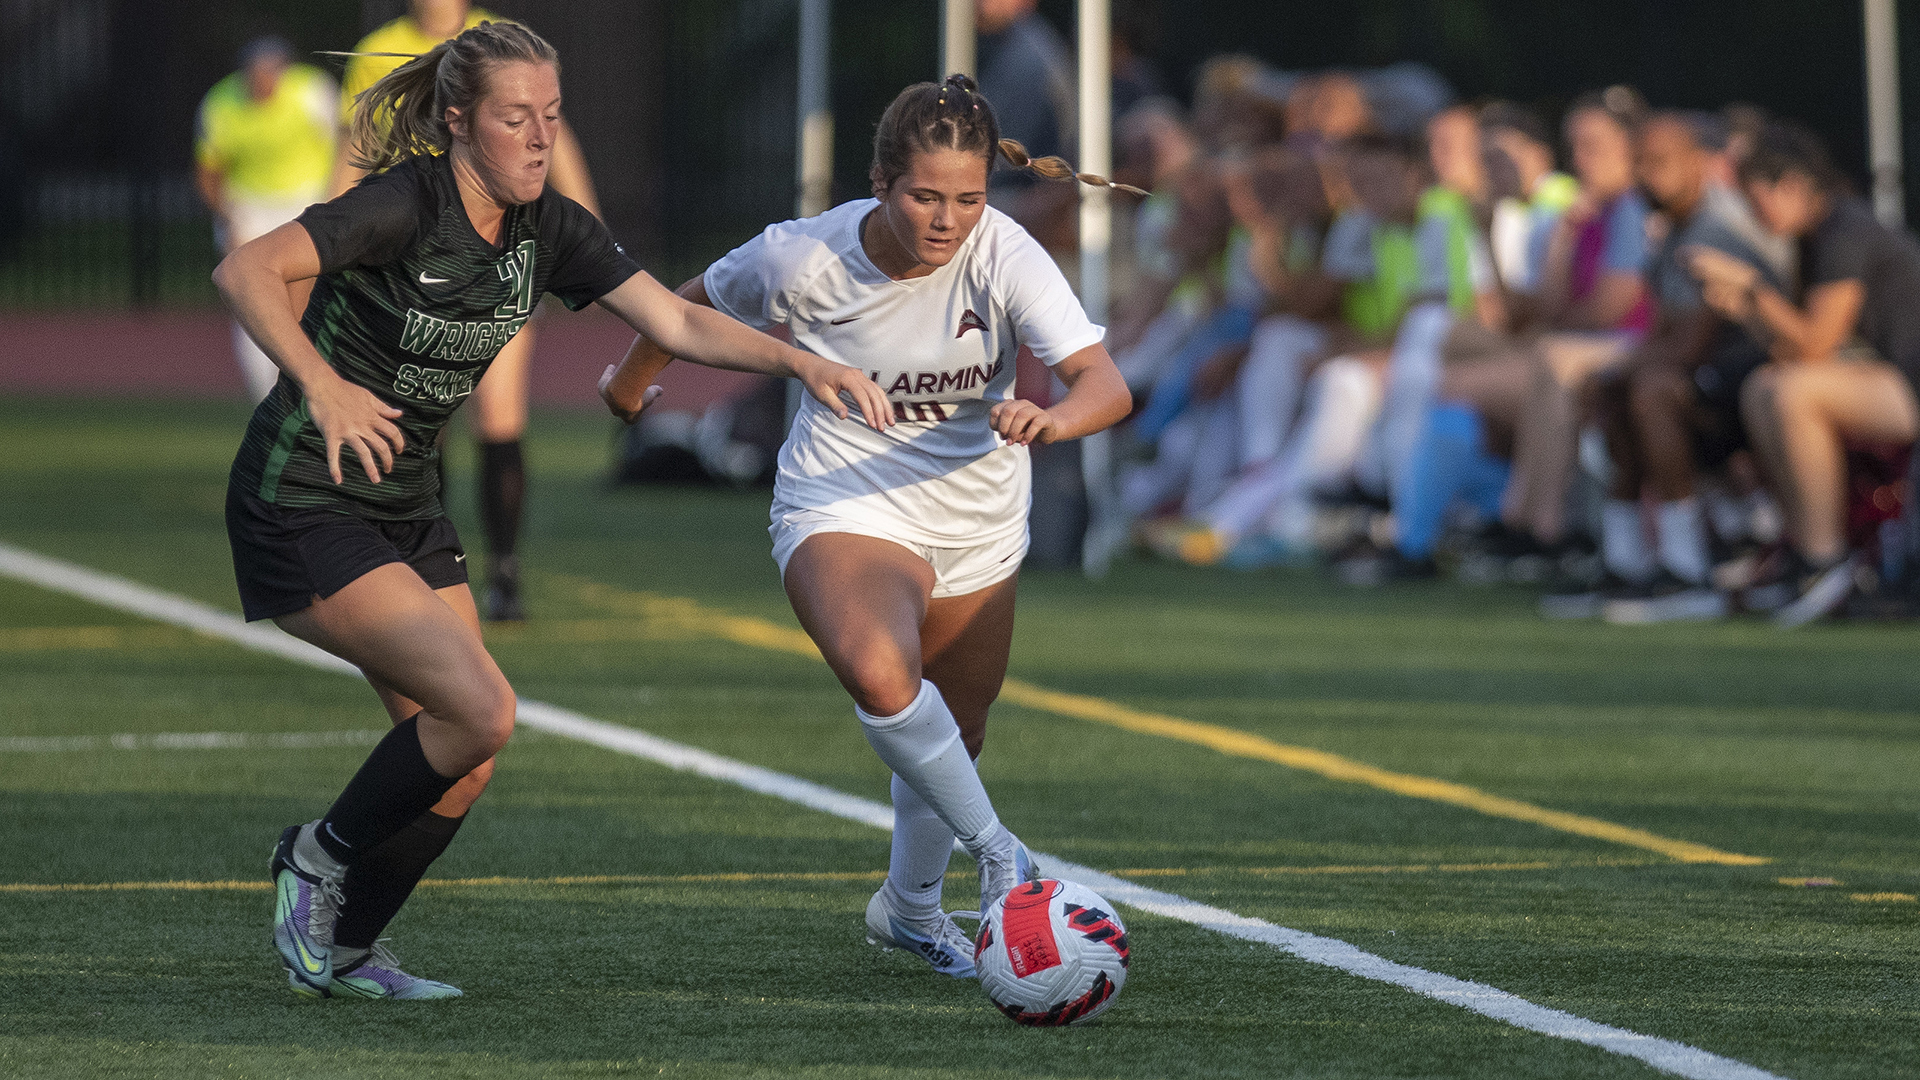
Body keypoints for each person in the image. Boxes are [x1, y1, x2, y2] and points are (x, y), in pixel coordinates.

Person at [219, 21, 887, 1000]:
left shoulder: (551, 229)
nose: (539, 137)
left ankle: (348, 947)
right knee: (483, 710)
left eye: (552, 115)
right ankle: (315, 859)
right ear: (458, 121)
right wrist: (320, 384)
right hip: (303, 500)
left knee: (464, 761)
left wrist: (803, 361)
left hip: (406, 505)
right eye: (514, 118)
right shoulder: (404, 203)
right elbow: (245, 270)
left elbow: (674, 320)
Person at [600, 75, 1133, 978]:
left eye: (967, 199)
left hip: (980, 516)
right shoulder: (802, 256)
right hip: (842, 498)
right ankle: (1002, 855)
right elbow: (688, 302)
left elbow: (1105, 385)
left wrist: (1056, 419)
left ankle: (913, 911)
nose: (947, 219)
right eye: (925, 195)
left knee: (955, 734)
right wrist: (624, 380)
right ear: (880, 180)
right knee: (885, 678)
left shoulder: (1004, 250)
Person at [333, 0, 604, 621]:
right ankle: (420, 565)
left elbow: (556, 136)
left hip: (500, 255)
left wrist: (586, 227)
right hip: (413, 263)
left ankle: (504, 572)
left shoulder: (497, 39)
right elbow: (355, 145)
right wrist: (331, 228)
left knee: (501, 417)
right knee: (425, 420)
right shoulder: (380, 46)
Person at [1698, 123, 1920, 626]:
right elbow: (1793, 346)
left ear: (1793, 185)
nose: (1754, 215)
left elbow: (1815, 346)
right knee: (1762, 388)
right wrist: (1748, 308)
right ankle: (1800, 547)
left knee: (1794, 392)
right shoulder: (1816, 235)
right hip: (1892, 377)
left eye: (1757, 199)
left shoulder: (1845, 229)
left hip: (1911, 381)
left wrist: (1753, 287)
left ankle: (1826, 559)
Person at [194, 36, 337, 402]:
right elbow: (209, 174)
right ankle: (269, 399)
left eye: (271, 72)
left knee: (301, 299)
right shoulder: (221, 103)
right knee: (252, 299)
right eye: (256, 73)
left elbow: (344, 148)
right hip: (248, 207)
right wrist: (228, 222)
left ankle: (303, 388)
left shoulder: (311, 91)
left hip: (306, 199)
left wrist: (333, 207)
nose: (263, 81)